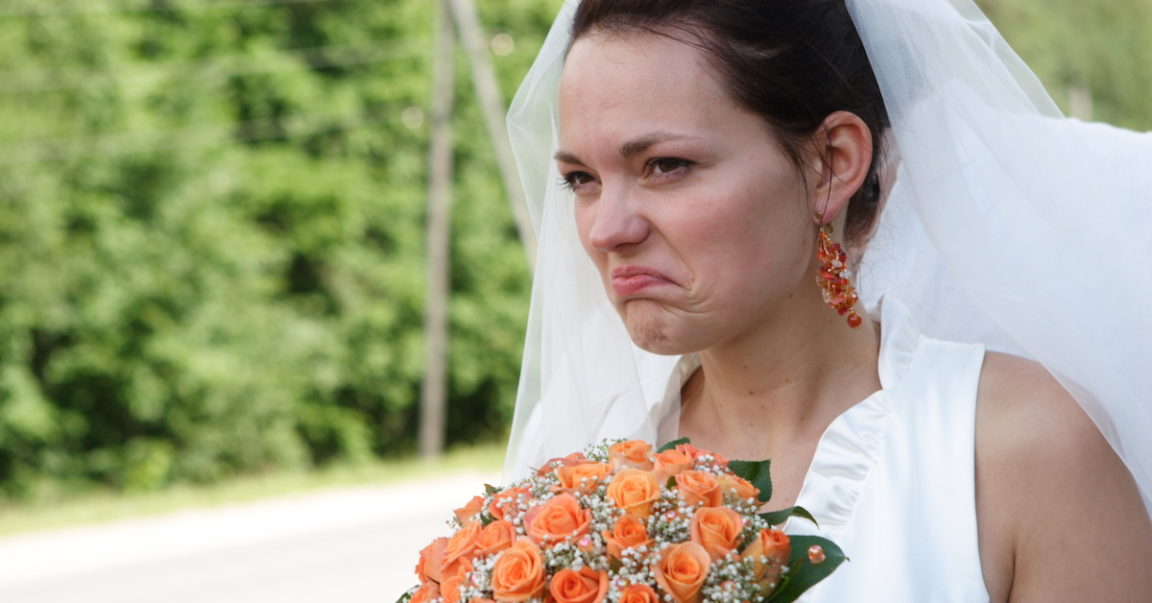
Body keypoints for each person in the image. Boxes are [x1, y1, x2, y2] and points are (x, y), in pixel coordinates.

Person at [503, 0, 1152, 600]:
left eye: (664, 165)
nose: (606, 229)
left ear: (832, 163)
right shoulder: (578, 452)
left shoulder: (1019, 453)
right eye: (580, 179)